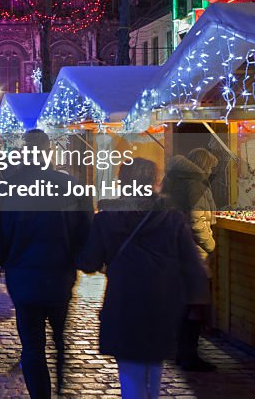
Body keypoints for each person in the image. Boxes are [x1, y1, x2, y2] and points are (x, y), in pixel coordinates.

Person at [78, 158, 210, 399]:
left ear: (121, 182)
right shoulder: (172, 218)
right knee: (153, 368)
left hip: (124, 302)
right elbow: (192, 264)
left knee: (131, 374)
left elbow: (89, 262)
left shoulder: (106, 218)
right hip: (162, 303)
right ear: (154, 182)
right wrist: (198, 302)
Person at [0, 129, 93, 397]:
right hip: (59, 275)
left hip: (23, 277)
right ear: (48, 152)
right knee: (59, 337)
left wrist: (6, 258)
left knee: (32, 345)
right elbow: (87, 228)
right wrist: (74, 256)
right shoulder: (71, 186)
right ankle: (62, 384)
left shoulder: (4, 188)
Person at [161, 148, 219, 372]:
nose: (212, 171)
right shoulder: (195, 184)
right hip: (193, 251)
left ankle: (181, 350)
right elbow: (196, 220)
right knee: (197, 302)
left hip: (176, 248)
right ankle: (189, 354)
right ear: (203, 165)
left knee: (185, 302)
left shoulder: (175, 181)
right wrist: (211, 245)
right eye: (211, 167)